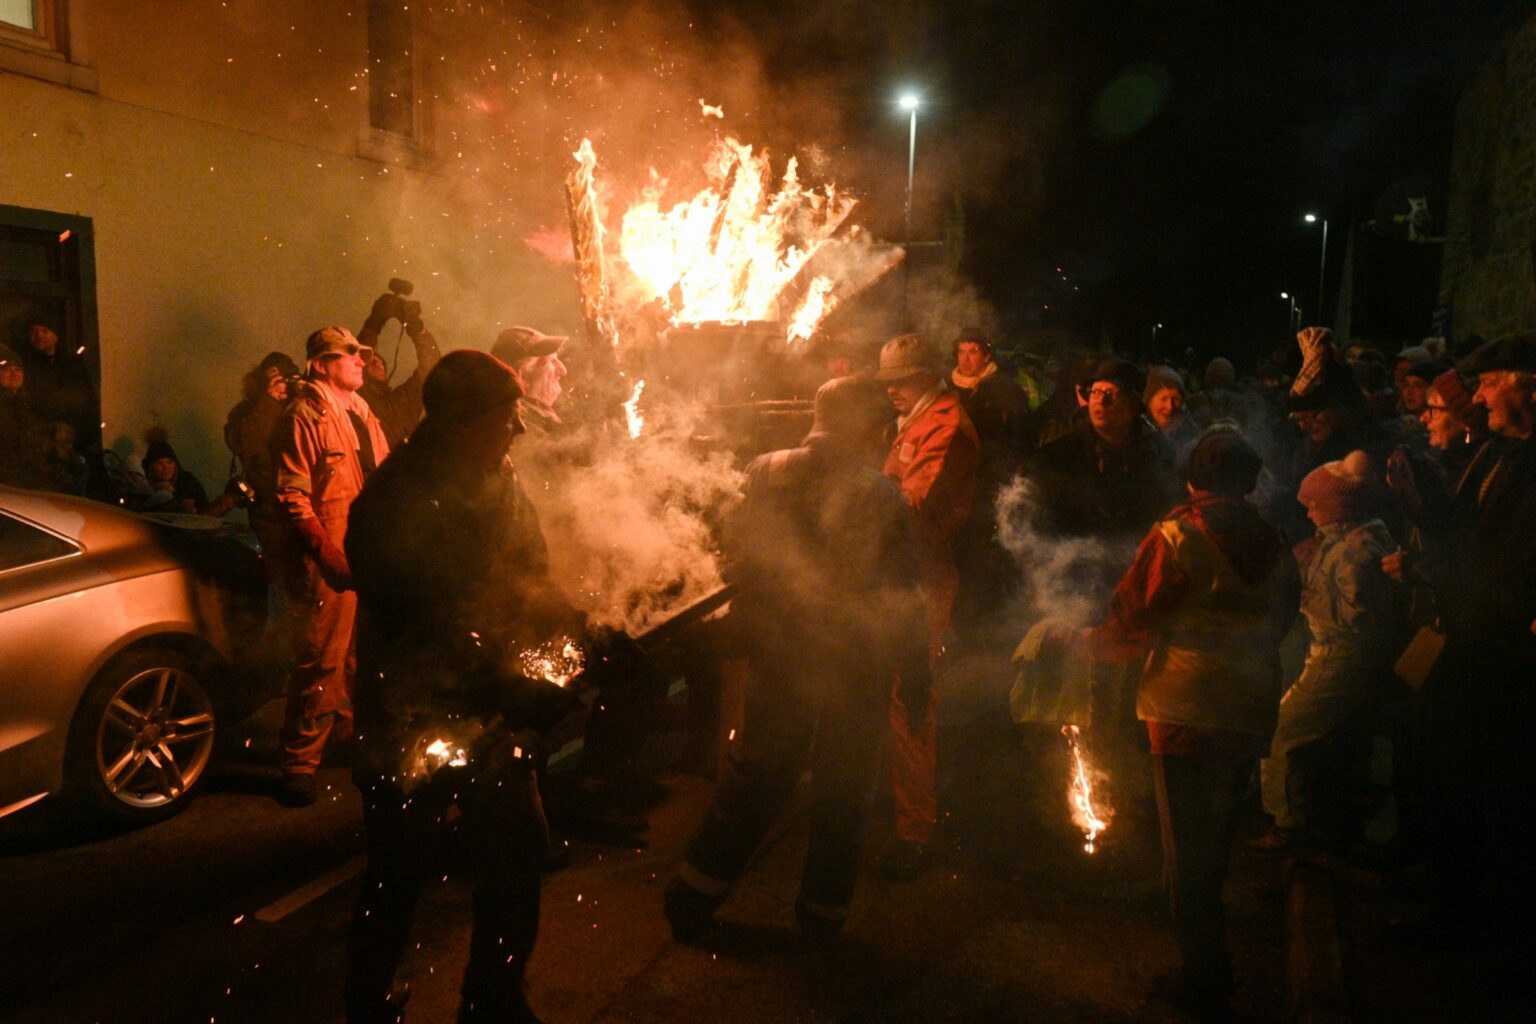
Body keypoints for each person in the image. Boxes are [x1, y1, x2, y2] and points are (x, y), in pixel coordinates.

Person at [344, 349, 586, 1024]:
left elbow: (531, 579)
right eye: (507, 417)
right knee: (398, 874)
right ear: (458, 421)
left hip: (491, 711)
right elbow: (429, 618)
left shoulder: (500, 481)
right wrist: (506, 682)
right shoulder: (393, 501)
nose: (520, 430)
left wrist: (575, 638)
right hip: (411, 716)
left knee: (518, 850)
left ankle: (493, 1000)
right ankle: (368, 1007)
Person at [664, 376, 932, 941]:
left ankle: (692, 897)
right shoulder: (882, 496)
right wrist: (914, 671)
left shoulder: (764, 469)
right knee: (844, 789)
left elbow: (730, 552)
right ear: (863, 426)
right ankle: (822, 915)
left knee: (757, 774)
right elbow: (901, 594)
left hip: (780, 652)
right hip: (856, 660)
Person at [1082, 429, 1299, 1020]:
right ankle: (1197, 933)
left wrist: (1080, 646)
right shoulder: (1277, 541)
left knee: (1187, 848)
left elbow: (1132, 617)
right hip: (1249, 703)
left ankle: (1205, 978)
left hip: (1184, 708)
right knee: (1216, 840)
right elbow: (1285, 615)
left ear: (1192, 480)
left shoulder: (1176, 536)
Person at [1407, 335, 1536, 969]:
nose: (1477, 399)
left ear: (1529, 387)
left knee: (1501, 795)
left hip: (1509, 657)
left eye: (1488, 384)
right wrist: (1422, 500)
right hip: (1469, 642)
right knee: (1455, 780)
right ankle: (1452, 902)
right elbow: (1466, 540)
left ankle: (1493, 933)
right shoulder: (1497, 454)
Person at [270, 325, 390, 807]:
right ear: (321, 365)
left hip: (366, 548)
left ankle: (342, 741)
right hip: (327, 553)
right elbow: (293, 496)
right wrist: (326, 553)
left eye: (362, 353)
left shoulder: (362, 411)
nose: (361, 360)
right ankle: (299, 763)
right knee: (322, 657)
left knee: (359, 655)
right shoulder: (304, 416)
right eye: (350, 354)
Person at [1257, 451, 1402, 850]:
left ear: (1338, 508)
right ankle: (1333, 817)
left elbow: (1354, 619)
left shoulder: (1355, 553)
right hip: (1341, 656)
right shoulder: (1355, 536)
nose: (1308, 515)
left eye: (1314, 507)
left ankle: (1287, 823)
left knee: (1281, 731)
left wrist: (1307, 592)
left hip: (1340, 657)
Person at [875, 332, 978, 879]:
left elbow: (911, 507)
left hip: (922, 580)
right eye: (888, 380)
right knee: (896, 697)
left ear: (928, 375)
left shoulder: (946, 426)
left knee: (909, 700)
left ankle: (915, 832)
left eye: (903, 379)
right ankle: (898, 807)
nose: (892, 388)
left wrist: (857, 496)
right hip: (900, 576)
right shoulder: (917, 419)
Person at [947, 329, 1029, 641]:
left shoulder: (1004, 389)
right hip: (955, 486)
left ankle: (986, 621)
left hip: (991, 484)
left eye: (973, 352)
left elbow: (1021, 437)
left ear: (986, 356)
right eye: (961, 352)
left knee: (986, 552)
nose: (966, 359)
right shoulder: (948, 390)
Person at [225, 352, 301, 565]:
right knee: (276, 569)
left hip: (306, 504)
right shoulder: (245, 411)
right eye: (274, 380)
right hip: (269, 508)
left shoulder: (302, 405)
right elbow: (244, 444)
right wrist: (269, 402)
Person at [357, 292, 442, 449]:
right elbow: (358, 358)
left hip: (404, 465)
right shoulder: (358, 398)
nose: (377, 361)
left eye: (380, 360)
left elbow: (432, 368)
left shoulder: (403, 402)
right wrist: (375, 322)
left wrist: (417, 328)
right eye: (372, 360)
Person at [16, 317, 99, 453]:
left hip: (75, 439)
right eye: (33, 331)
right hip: (40, 441)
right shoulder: (23, 366)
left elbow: (87, 400)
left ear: (56, 335)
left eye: (45, 330)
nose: (39, 336)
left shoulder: (72, 365)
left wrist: (84, 432)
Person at [0, 347, 48, 488]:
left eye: (18, 369)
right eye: (6, 369)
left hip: (27, 480)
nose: (14, 374)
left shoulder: (27, 405)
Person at [135, 429, 211, 514]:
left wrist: (194, 510)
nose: (165, 467)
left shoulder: (188, 482)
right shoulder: (142, 484)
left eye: (169, 462)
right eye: (159, 463)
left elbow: (205, 506)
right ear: (151, 468)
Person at [1144, 365, 1202, 470]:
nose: (1170, 406)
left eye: (1176, 399)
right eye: (1163, 399)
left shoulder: (1191, 433)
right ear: (1149, 401)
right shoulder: (1137, 432)